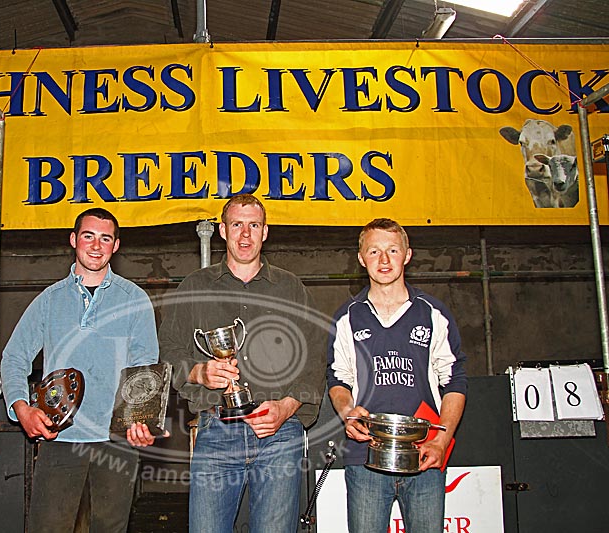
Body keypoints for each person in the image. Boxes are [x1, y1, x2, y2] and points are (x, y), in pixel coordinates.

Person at [159, 194, 326, 533]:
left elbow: (315, 358)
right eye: (237, 225)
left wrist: (287, 407)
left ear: (266, 232)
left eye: (254, 225)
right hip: (215, 430)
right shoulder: (195, 287)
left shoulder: (291, 288)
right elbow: (166, 353)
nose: (245, 235)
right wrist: (199, 372)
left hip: (279, 433)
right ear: (222, 230)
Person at [0, 207, 161, 533]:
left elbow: (144, 369)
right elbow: (14, 357)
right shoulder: (49, 301)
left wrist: (141, 420)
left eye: (106, 238)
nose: (96, 245)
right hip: (61, 437)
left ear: (116, 245)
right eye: (88, 236)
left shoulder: (135, 299)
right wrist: (22, 409)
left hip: (116, 441)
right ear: (74, 240)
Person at [327, 218, 468, 533]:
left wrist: (442, 442)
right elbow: (338, 380)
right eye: (374, 251)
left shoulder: (433, 314)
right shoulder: (347, 317)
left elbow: (455, 381)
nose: (384, 259)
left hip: (424, 455)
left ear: (408, 254)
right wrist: (348, 412)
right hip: (366, 458)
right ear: (362, 259)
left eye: (392, 250)